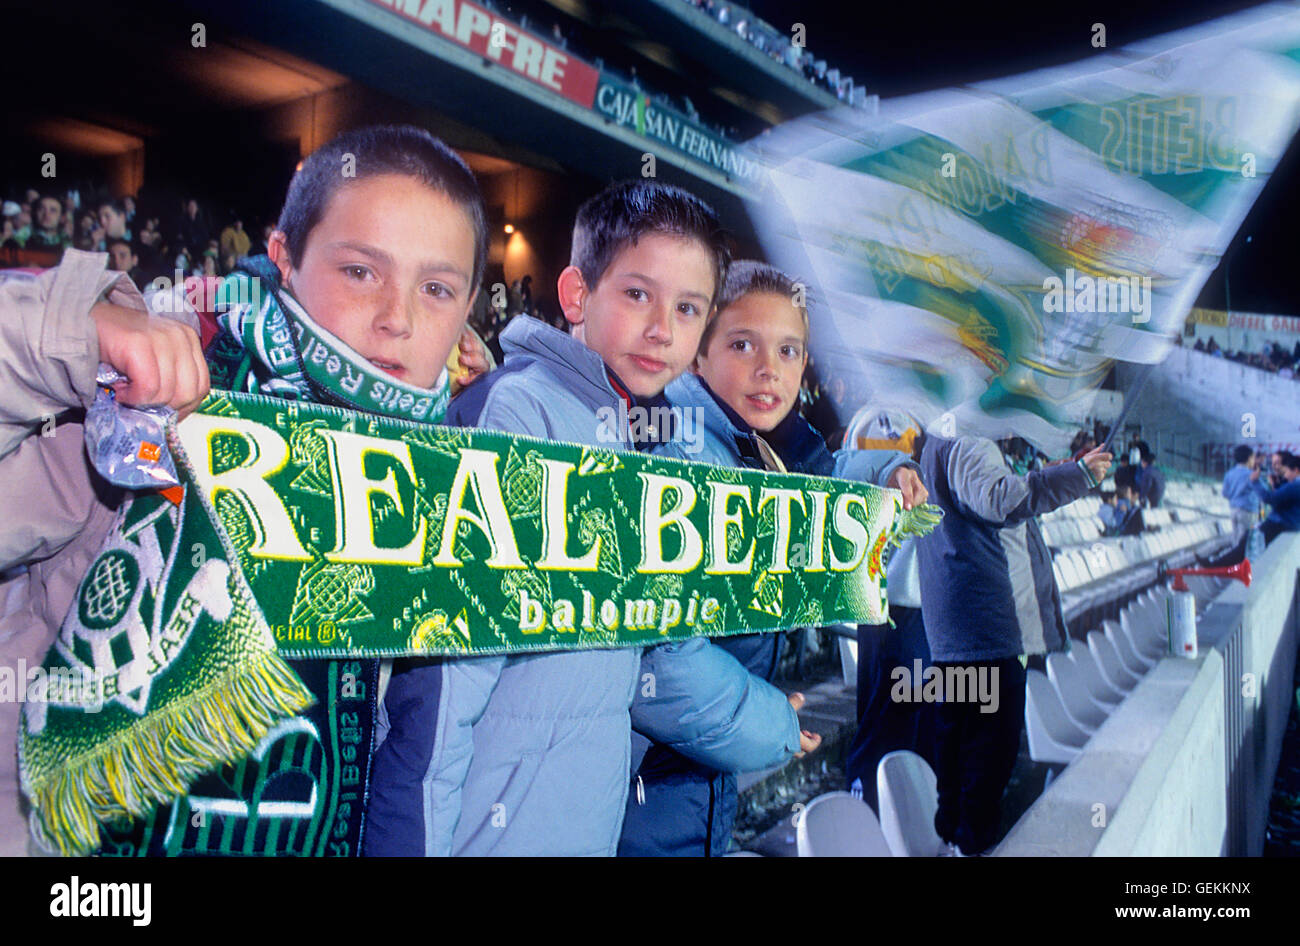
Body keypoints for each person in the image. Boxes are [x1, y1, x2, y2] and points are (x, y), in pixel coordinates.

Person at [366, 181, 809, 856]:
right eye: (638, 295)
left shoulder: (636, 437)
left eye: (688, 308)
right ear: (577, 294)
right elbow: (436, 698)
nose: (663, 329)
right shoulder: (519, 418)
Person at [618, 261, 927, 852]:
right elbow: (656, 653)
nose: (769, 370)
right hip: (647, 776)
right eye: (743, 345)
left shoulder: (762, 449)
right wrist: (769, 722)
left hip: (696, 772)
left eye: (789, 351)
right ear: (699, 351)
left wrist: (889, 467)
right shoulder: (680, 456)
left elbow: (828, 480)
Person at [0, 251, 210, 856]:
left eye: (436, 288)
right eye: (358, 271)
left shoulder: (457, 479)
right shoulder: (143, 395)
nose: (395, 318)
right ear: (285, 255)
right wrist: (73, 334)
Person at [914, 430, 1111, 856]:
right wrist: (1076, 476)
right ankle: (973, 843)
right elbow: (1001, 500)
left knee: (958, 739)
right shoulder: (969, 440)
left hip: (956, 630)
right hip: (984, 627)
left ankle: (954, 838)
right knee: (991, 747)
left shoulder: (935, 440)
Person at [1253, 451, 1300, 544]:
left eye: (1277, 463)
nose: (1274, 466)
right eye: (1272, 463)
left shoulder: (1294, 485)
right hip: (1290, 527)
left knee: (1251, 543)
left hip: (1279, 524)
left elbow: (1271, 499)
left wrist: (1254, 481)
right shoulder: (1287, 484)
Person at [1222, 445, 1261, 544]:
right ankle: (1244, 559)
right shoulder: (1251, 474)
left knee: (1235, 539)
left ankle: (1235, 558)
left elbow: (1225, 493)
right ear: (1249, 458)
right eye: (1253, 458)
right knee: (1247, 541)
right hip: (1248, 511)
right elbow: (1261, 491)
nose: (1254, 461)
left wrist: (1235, 498)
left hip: (1233, 510)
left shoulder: (1229, 474)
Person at [1136, 442, 1165, 508]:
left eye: (1142, 463)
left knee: (1146, 503)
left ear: (1145, 463)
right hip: (1160, 492)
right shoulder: (1156, 469)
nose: (1141, 464)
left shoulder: (1147, 471)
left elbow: (1146, 485)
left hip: (1154, 494)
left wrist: (1142, 496)